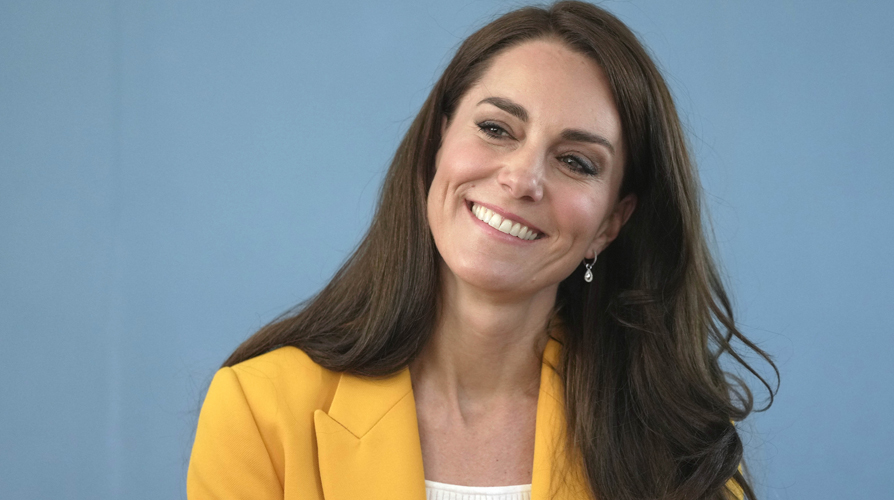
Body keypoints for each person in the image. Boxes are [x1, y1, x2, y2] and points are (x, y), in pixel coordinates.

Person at [188, 2, 777, 499]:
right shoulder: (259, 408)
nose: (523, 179)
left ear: (609, 225)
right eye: (496, 129)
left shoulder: (679, 440)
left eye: (576, 162)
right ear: (437, 143)